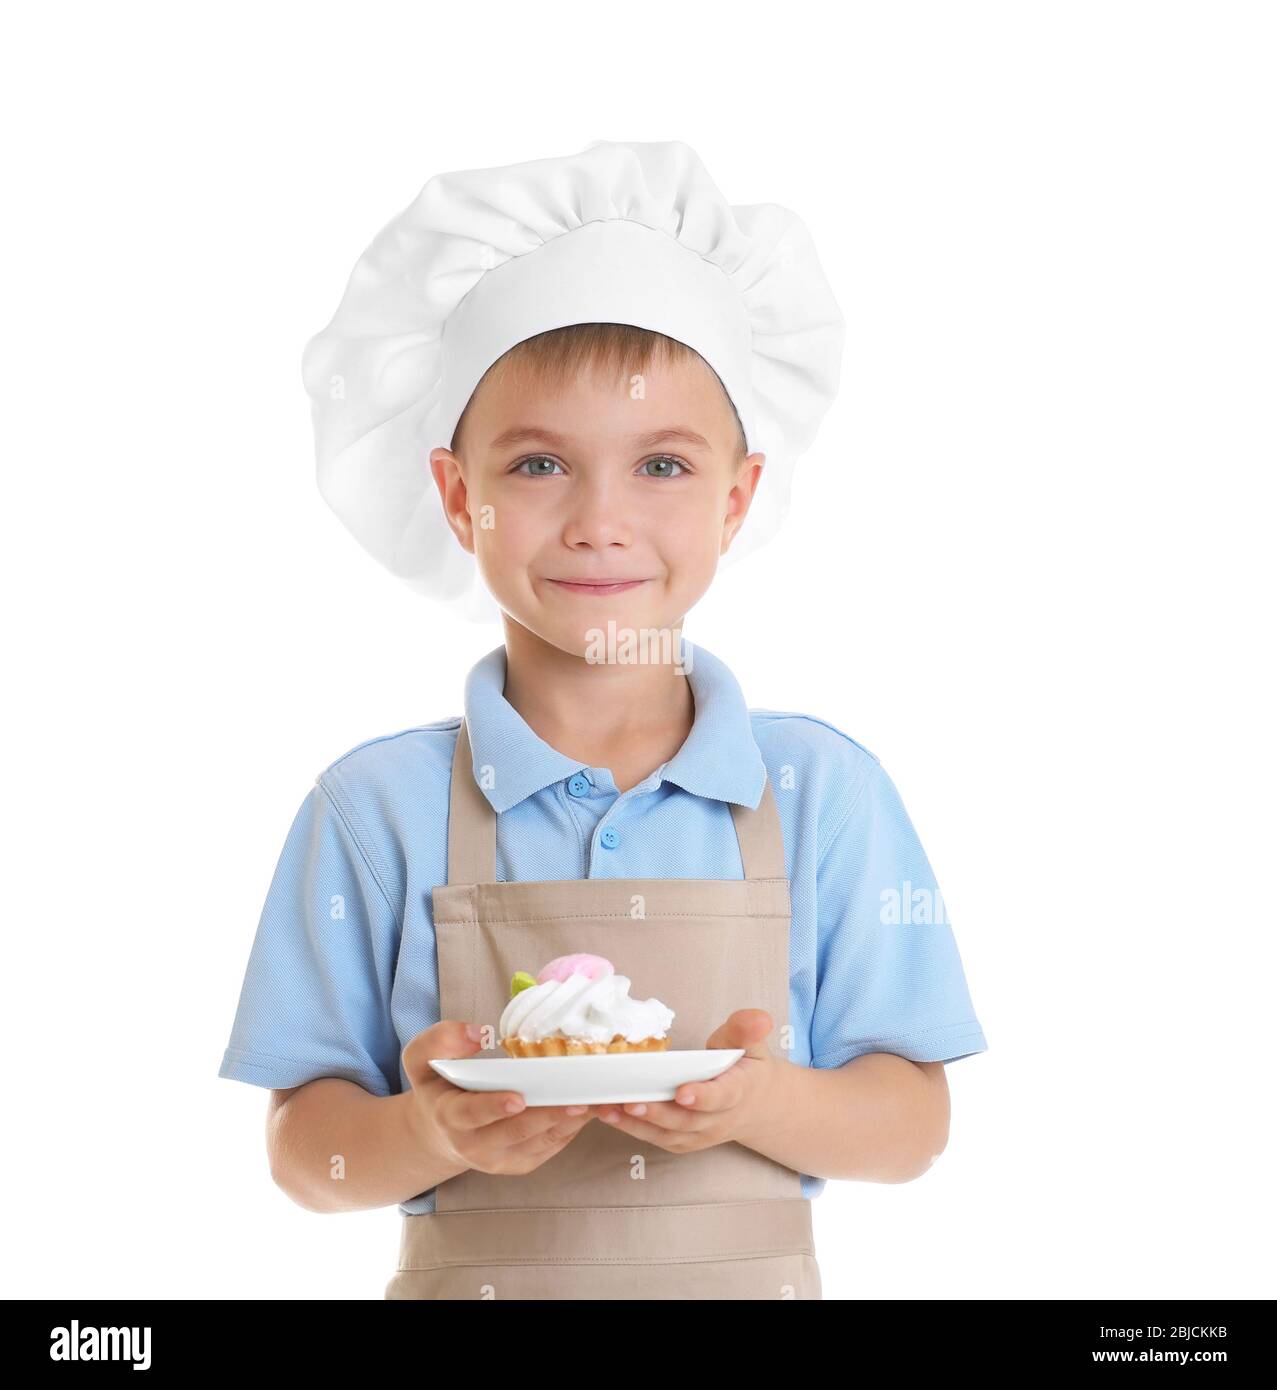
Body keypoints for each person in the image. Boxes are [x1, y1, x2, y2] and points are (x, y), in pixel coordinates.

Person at [217, 140, 988, 1300]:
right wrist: (433, 1132)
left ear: (737, 497)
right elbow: (304, 1155)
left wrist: (759, 1095)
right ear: (454, 494)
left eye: (663, 466)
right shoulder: (372, 809)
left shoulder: (821, 791)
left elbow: (912, 1128)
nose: (600, 521)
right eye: (536, 464)